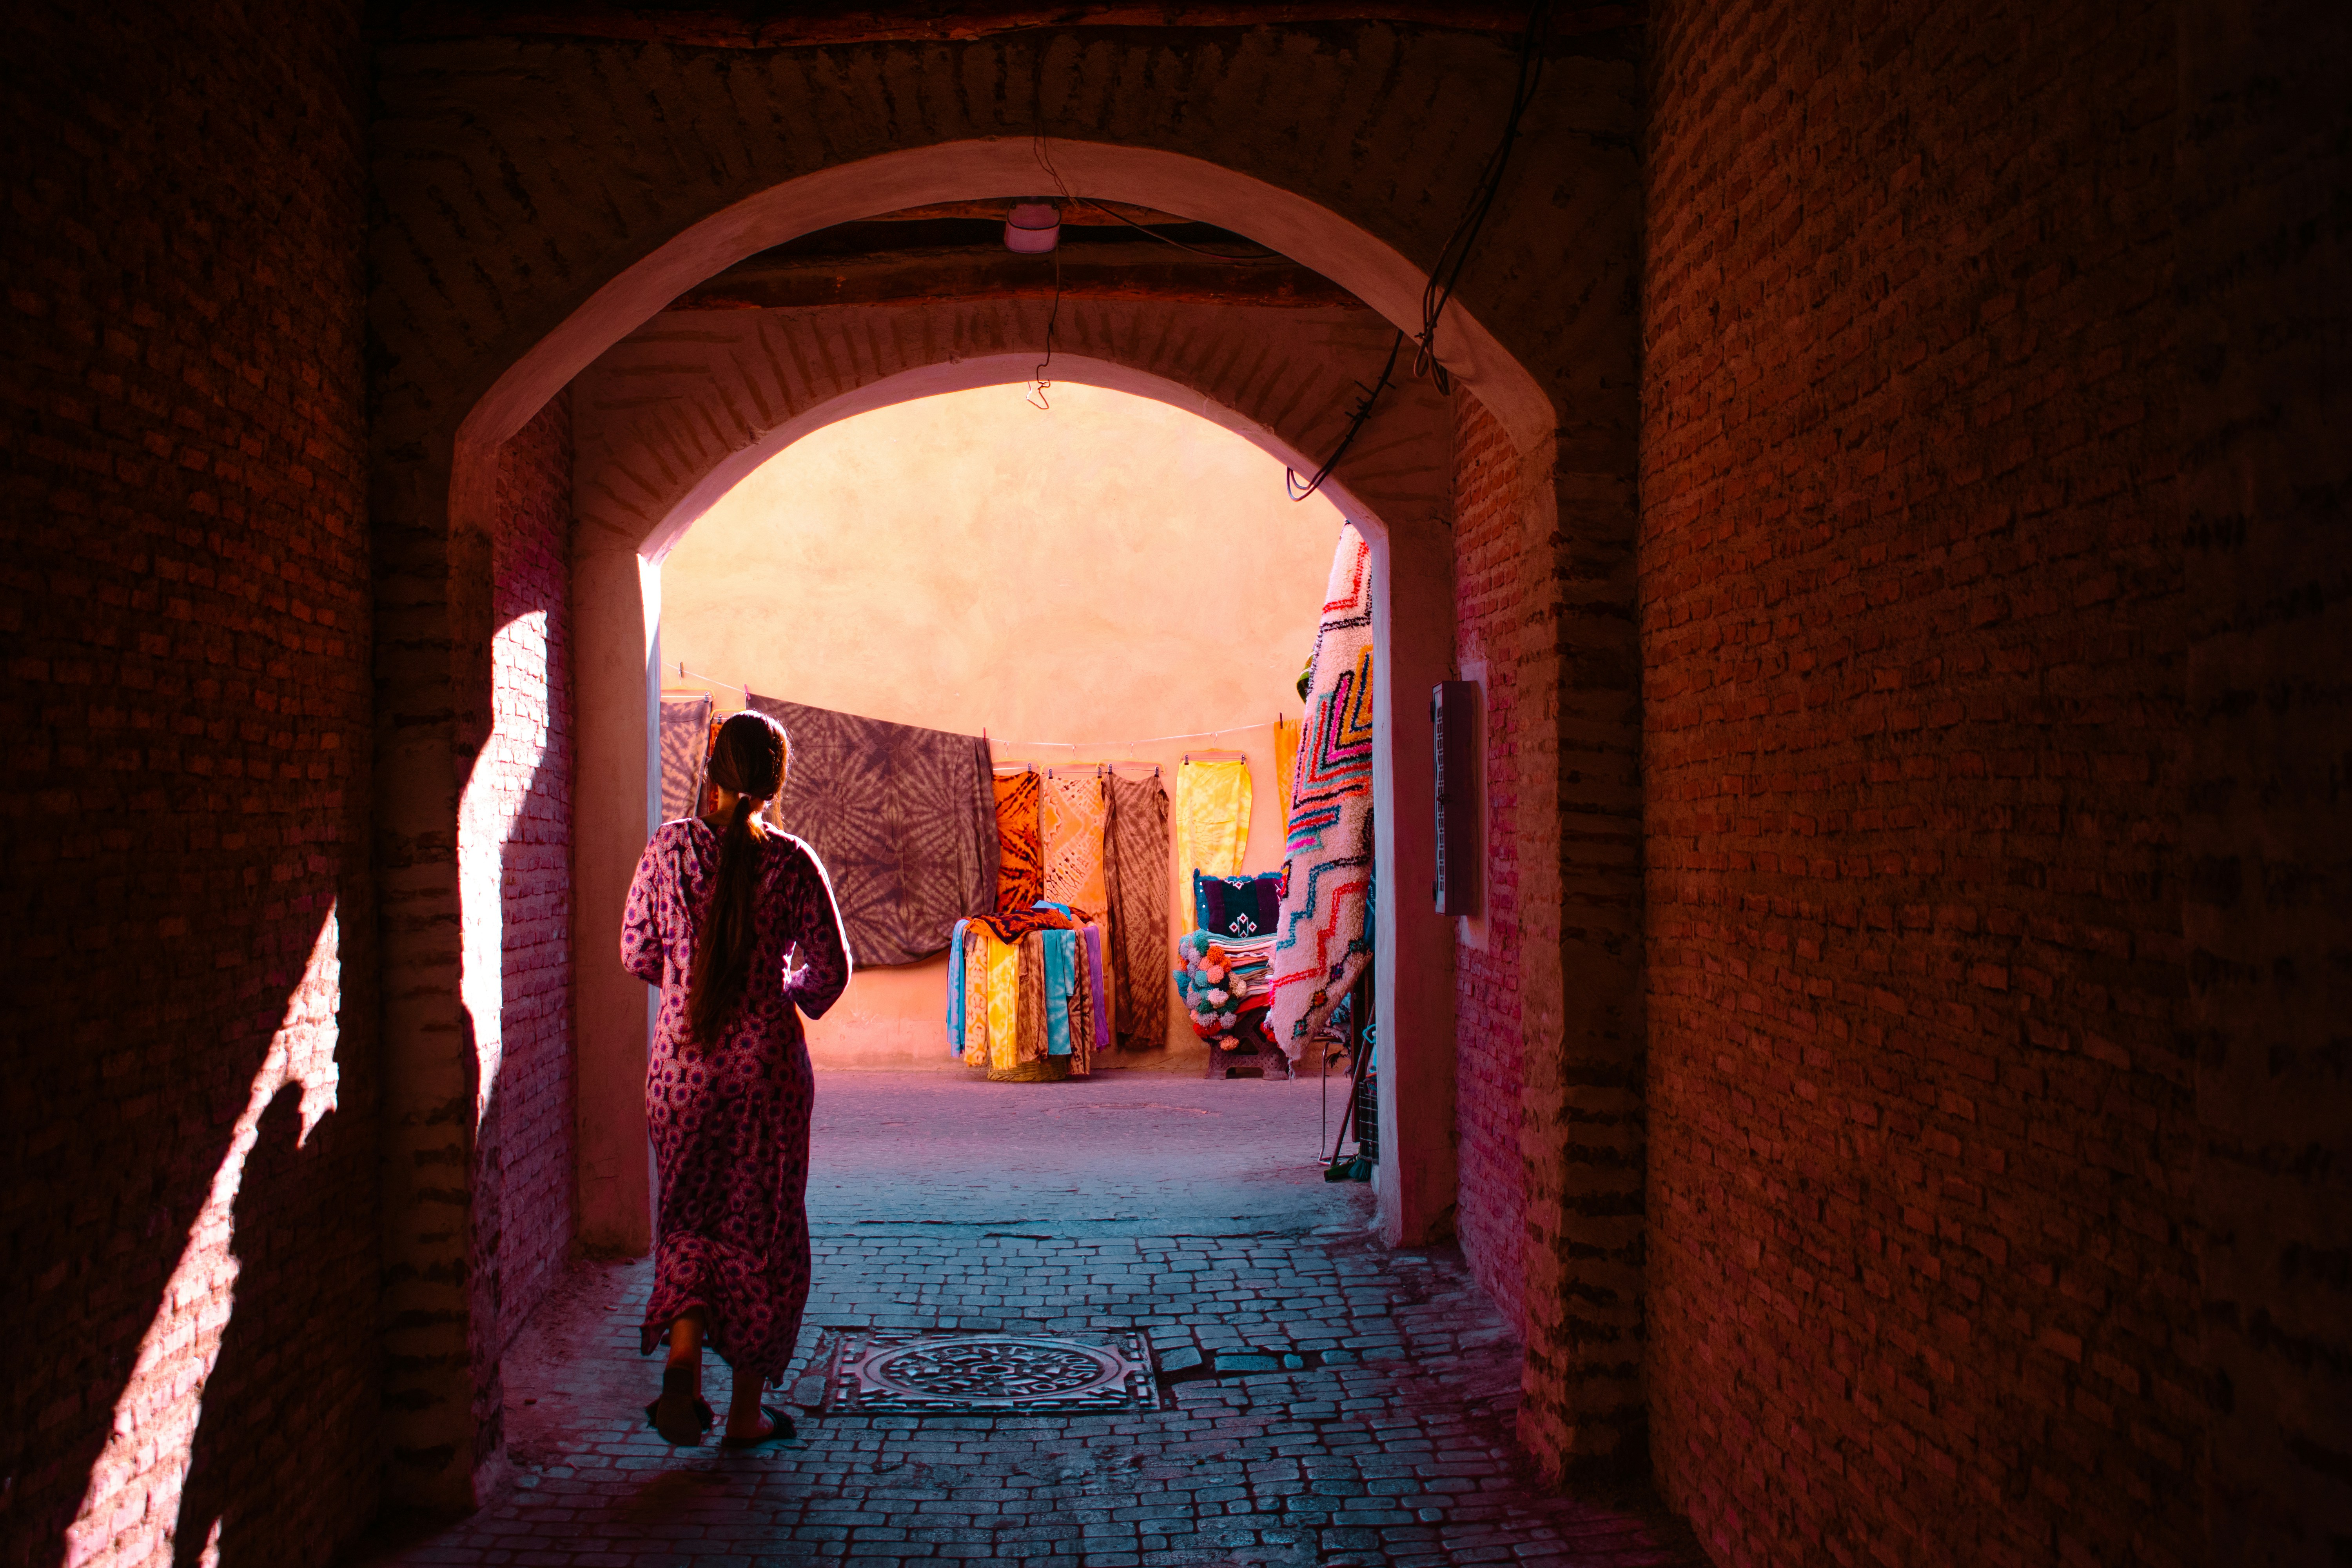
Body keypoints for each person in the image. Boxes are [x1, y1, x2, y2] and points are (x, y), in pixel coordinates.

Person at [621, 708, 851, 1447]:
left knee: (689, 1219)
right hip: (765, 1079)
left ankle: (684, 1352)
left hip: (681, 1071)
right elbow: (831, 970)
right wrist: (788, 996)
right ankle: (746, 1415)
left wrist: (687, 981)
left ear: (713, 771)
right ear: (774, 782)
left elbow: (635, 954)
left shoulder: (667, 850)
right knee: (763, 1233)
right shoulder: (792, 861)